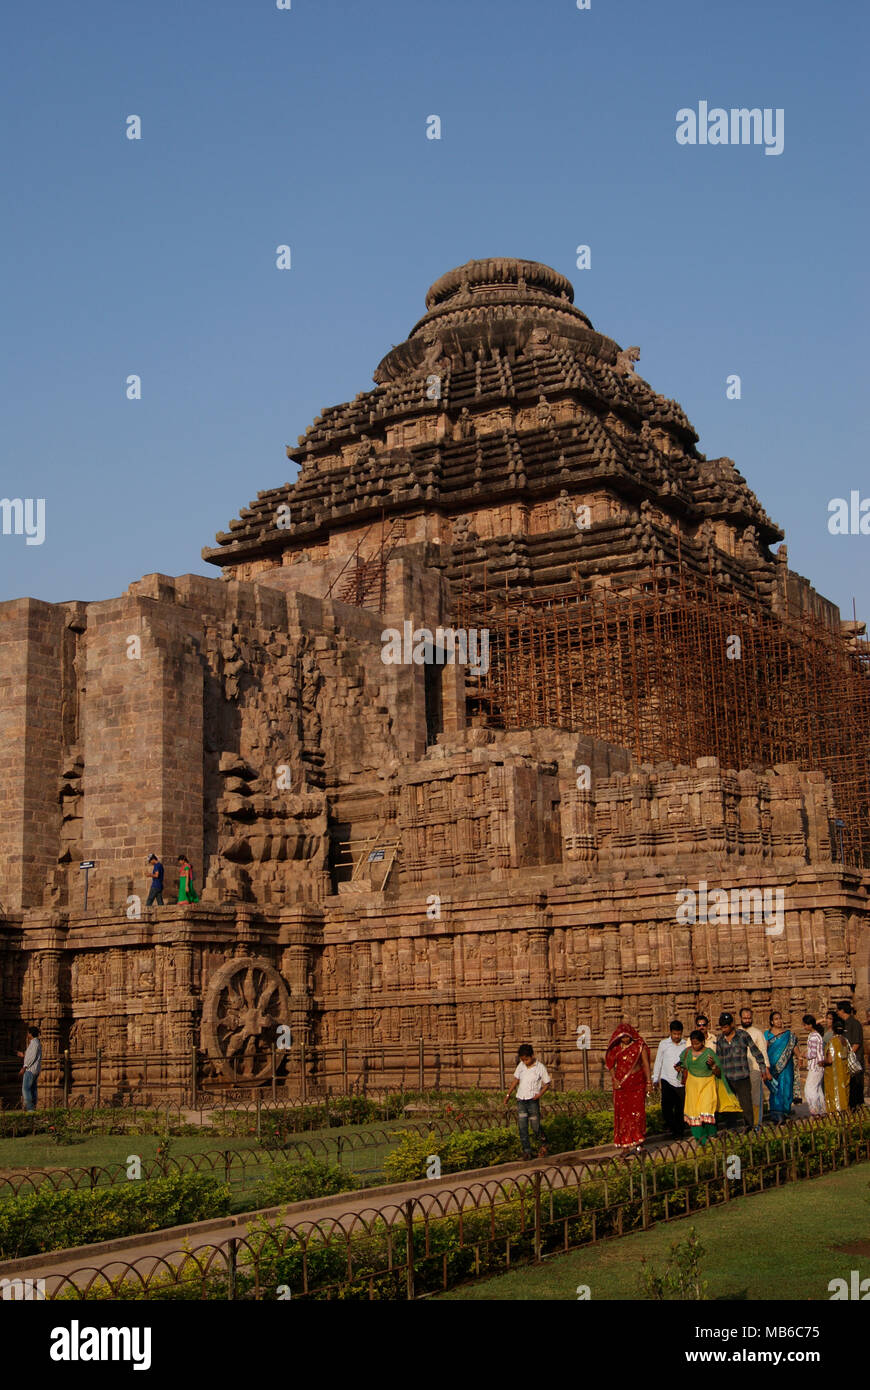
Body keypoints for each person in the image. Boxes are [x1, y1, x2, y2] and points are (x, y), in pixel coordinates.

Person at [715, 1013, 771, 1132]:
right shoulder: (720, 1039)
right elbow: (719, 1058)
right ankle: (732, 1129)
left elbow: (756, 1052)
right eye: (722, 1027)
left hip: (742, 1076)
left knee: (746, 1104)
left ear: (732, 1025)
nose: (724, 1029)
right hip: (728, 1077)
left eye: (726, 1027)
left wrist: (763, 1068)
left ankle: (749, 1127)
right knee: (730, 1105)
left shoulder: (743, 1036)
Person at [678, 1029, 735, 1146]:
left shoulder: (709, 1054)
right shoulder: (687, 1053)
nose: (695, 1046)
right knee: (694, 1113)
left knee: (707, 1111)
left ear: (703, 1042)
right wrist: (679, 1069)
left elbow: (719, 1073)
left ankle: (712, 1136)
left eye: (697, 1043)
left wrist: (713, 1065)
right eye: (693, 1043)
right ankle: (701, 1140)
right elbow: (683, 1065)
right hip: (692, 1087)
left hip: (707, 1086)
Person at [605, 1024, 652, 1155]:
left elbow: (646, 1065)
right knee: (623, 1115)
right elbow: (610, 1065)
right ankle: (625, 1145)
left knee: (638, 1114)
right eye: (623, 1037)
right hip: (621, 1086)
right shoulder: (616, 1049)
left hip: (637, 1084)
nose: (625, 1039)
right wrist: (614, 1079)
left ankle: (639, 1143)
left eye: (627, 1036)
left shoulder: (639, 1046)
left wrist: (649, 1082)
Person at [504, 1044, 551, 1159]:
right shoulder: (521, 1066)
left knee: (535, 1126)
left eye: (527, 1059)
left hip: (532, 1100)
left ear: (532, 1056)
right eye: (522, 1059)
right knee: (522, 1127)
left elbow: (547, 1083)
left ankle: (544, 1144)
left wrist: (539, 1094)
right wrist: (508, 1094)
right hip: (521, 1099)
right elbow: (516, 1080)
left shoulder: (540, 1067)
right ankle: (527, 1151)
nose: (525, 1062)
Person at [652, 1021, 686, 1139]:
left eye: (679, 1034)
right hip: (666, 1079)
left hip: (681, 1081)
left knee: (680, 1108)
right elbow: (658, 1062)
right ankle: (673, 1128)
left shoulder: (685, 1044)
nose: (677, 1036)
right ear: (670, 1032)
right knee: (666, 1108)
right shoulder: (663, 1044)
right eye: (675, 1034)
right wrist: (655, 1079)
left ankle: (679, 1132)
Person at [738, 1006, 770, 1127]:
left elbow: (762, 1051)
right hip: (740, 1070)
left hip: (755, 1069)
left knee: (755, 1097)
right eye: (744, 1018)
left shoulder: (757, 1033)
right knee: (743, 1099)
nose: (747, 1020)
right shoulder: (737, 1033)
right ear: (740, 1018)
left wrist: (766, 1069)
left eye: (749, 1018)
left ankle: (757, 1123)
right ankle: (747, 1123)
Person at [764, 1010, 798, 1123]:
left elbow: (794, 1048)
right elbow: (764, 1050)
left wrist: (801, 1056)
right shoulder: (767, 1035)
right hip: (772, 1067)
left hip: (786, 1066)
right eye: (776, 1019)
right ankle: (776, 1112)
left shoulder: (789, 1035)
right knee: (775, 1088)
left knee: (786, 1086)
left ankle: (784, 1111)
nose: (779, 1021)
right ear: (771, 1021)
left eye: (780, 1018)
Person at [836, 1001, 865, 1110]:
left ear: (842, 1010)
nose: (837, 1012)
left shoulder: (854, 1024)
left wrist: (849, 1056)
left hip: (855, 1060)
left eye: (838, 1010)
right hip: (847, 1060)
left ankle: (859, 1108)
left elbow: (856, 1043)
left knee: (857, 1086)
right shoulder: (843, 1024)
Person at [823, 1019, 851, 1114]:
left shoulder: (833, 1041)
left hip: (834, 1076)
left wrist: (822, 1062)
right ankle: (844, 1113)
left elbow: (830, 1060)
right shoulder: (845, 1041)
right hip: (844, 1073)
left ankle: (835, 1116)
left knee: (835, 1095)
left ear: (833, 1030)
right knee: (844, 1094)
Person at [801, 1015, 826, 1115]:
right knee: (817, 1089)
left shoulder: (814, 1036)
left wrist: (804, 1055)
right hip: (818, 1066)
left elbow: (813, 1054)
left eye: (805, 1025)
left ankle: (815, 1111)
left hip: (815, 1066)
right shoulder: (815, 1034)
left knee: (809, 1089)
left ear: (810, 1025)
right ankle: (822, 1111)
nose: (804, 1027)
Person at [17, 1025, 42, 1112]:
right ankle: (32, 1106)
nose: (27, 1034)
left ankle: (30, 1108)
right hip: (33, 1069)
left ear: (30, 1033)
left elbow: (32, 1057)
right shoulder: (35, 1043)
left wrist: (24, 1067)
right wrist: (23, 1055)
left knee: (26, 1089)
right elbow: (31, 1055)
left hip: (30, 1070)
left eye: (28, 1033)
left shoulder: (35, 1043)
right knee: (32, 1088)